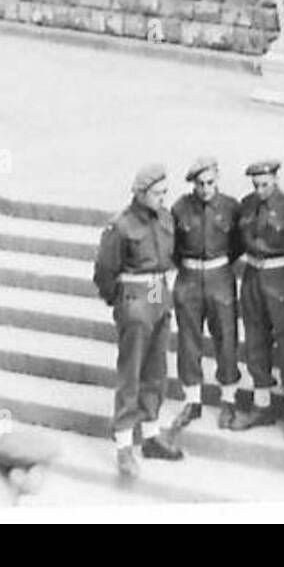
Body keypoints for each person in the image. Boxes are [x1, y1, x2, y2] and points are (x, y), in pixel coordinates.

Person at [92, 165, 184, 478]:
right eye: (157, 193)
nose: (162, 198)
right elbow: (104, 271)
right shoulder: (120, 226)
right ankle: (123, 445)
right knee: (131, 370)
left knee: (156, 368)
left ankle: (151, 434)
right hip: (135, 294)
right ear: (141, 194)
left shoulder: (166, 218)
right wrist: (120, 302)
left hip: (160, 290)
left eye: (164, 193)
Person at [230, 159, 284, 433]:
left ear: (276, 178)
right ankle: (262, 405)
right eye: (256, 185)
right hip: (252, 275)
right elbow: (236, 243)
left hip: (281, 278)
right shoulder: (247, 205)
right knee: (254, 340)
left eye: (265, 184)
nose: (261, 190)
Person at [169, 156, 242, 433]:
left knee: (226, 336)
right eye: (199, 184)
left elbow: (237, 244)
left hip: (219, 275)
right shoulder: (180, 208)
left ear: (218, 178)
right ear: (192, 185)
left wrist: (219, 265)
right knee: (189, 339)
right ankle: (192, 400)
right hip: (188, 277)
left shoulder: (230, 207)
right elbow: (172, 247)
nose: (205, 188)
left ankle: (228, 398)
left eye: (210, 182)